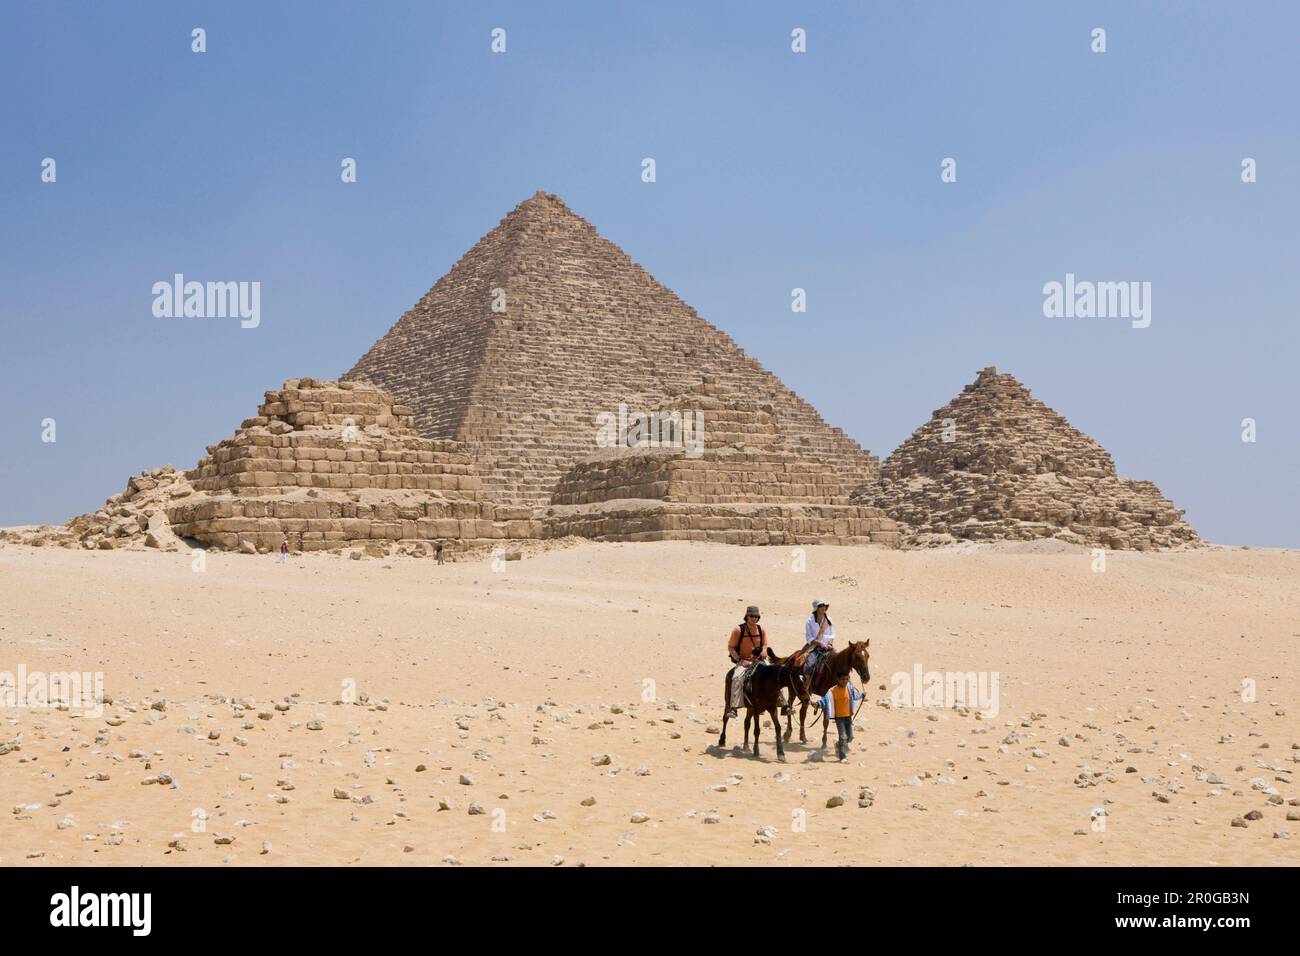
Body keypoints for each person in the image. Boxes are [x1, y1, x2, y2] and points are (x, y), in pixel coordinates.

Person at [726, 606, 768, 719]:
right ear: (747, 617)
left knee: (774, 675)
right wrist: (740, 660)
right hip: (743, 661)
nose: (754, 618)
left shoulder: (761, 630)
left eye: (756, 616)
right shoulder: (738, 630)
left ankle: (783, 704)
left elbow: (765, 645)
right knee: (737, 678)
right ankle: (734, 707)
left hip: (758, 661)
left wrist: (763, 651)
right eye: (751, 616)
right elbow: (731, 647)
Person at [816, 673, 863, 761]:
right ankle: (842, 756)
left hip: (848, 717)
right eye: (843, 679)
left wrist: (862, 695)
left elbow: (854, 696)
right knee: (843, 736)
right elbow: (825, 701)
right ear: (838, 680)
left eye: (846, 679)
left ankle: (838, 745)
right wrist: (817, 704)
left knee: (850, 737)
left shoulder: (849, 688)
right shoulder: (832, 691)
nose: (845, 681)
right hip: (839, 718)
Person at [804, 599, 834, 673]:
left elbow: (832, 634)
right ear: (816, 608)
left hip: (828, 647)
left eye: (824, 605)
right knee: (810, 666)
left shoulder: (829, 619)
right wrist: (820, 644)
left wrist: (830, 644)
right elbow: (809, 638)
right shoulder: (809, 621)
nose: (823, 607)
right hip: (815, 647)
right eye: (821, 606)